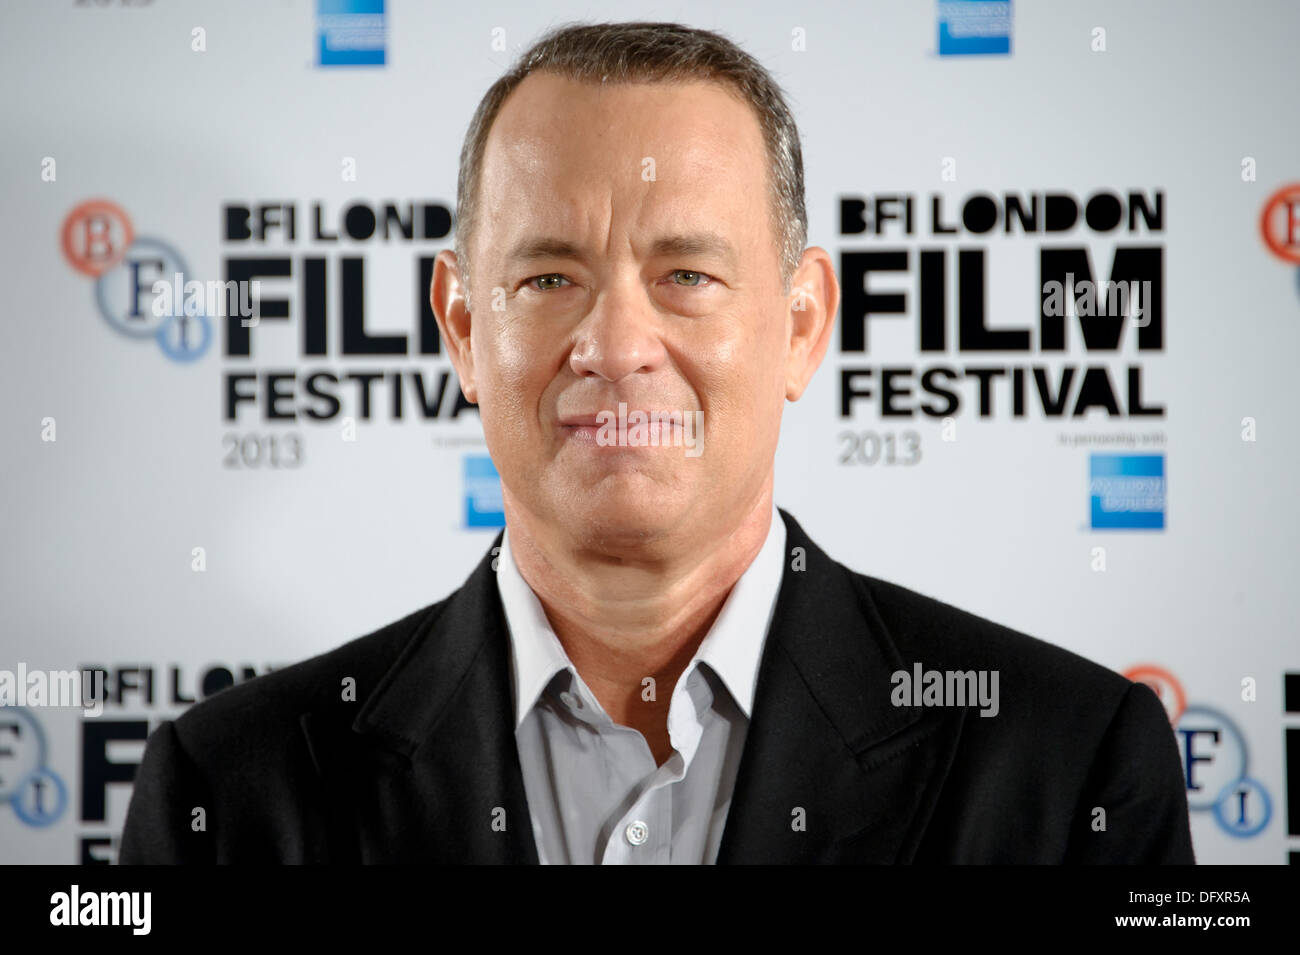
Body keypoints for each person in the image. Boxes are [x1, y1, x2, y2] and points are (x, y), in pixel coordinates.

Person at [121, 21, 1194, 864]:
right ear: (458, 326)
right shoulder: (231, 788)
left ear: (804, 324)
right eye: (549, 278)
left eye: (687, 274)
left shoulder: (1068, 764)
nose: (616, 345)